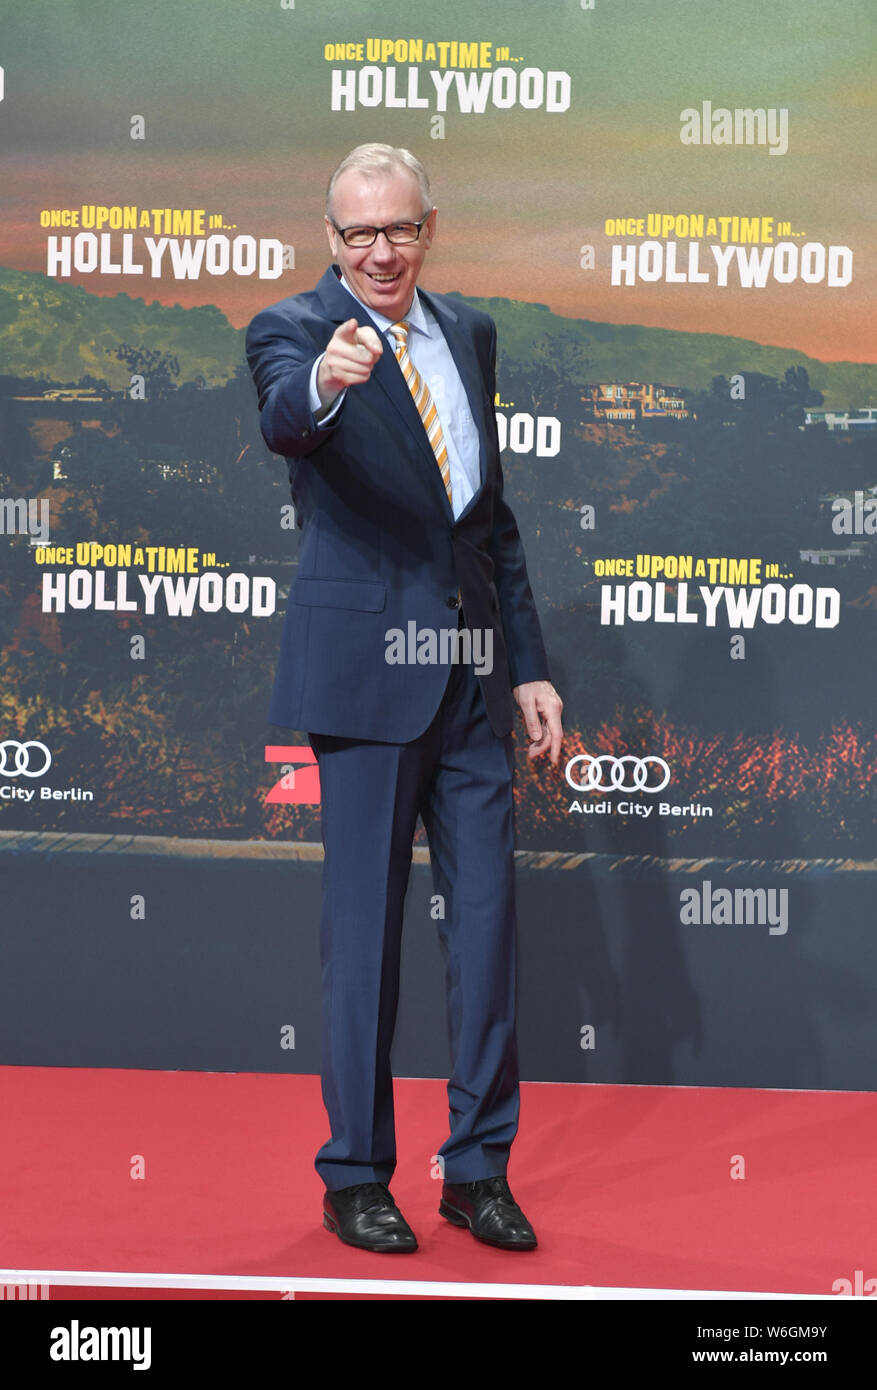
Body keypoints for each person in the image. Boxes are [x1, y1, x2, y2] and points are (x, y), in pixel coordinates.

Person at [246, 143, 563, 1254]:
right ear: (330, 239)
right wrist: (328, 382)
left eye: (398, 229)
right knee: (365, 939)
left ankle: (476, 1167)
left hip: (472, 681)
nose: (379, 251)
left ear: (430, 227)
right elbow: (286, 420)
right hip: (367, 680)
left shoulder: (467, 332)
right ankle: (354, 1175)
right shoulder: (293, 331)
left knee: (487, 934)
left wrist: (526, 664)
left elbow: (489, 521)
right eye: (356, 234)